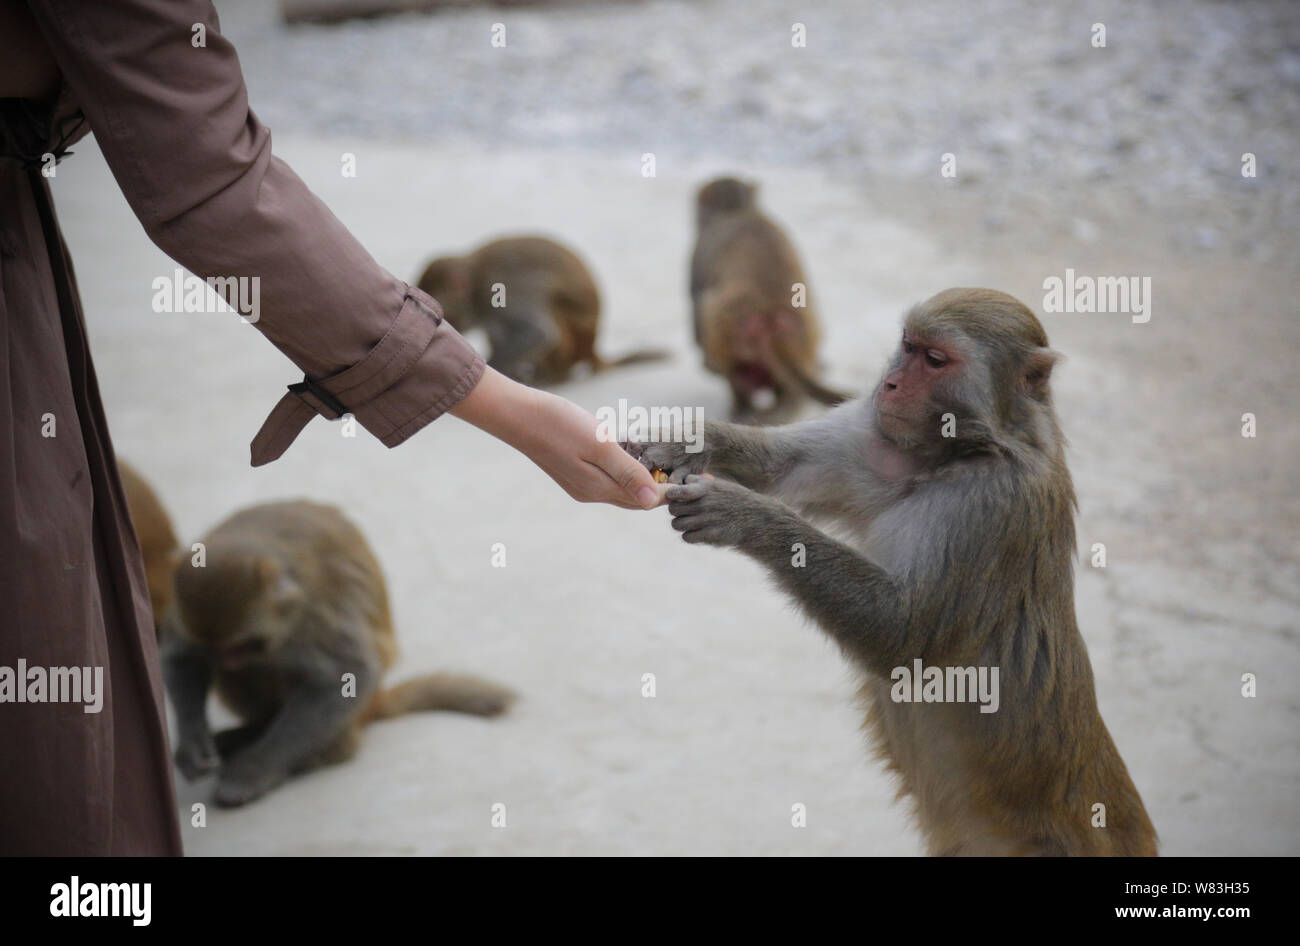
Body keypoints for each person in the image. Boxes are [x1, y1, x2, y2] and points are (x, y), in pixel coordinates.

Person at [0, 0, 663, 855]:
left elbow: (340, 688)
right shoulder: (226, 612)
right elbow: (211, 178)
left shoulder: (295, 611)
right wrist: (509, 410)